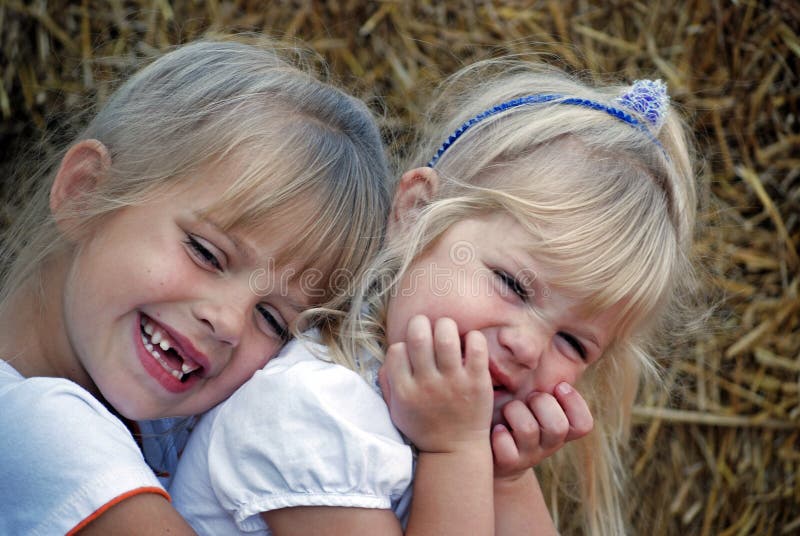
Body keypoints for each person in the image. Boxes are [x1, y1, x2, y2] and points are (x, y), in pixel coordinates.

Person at [169, 59, 698, 536]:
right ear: (417, 213)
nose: (529, 348)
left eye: (575, 344)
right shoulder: (313, 410)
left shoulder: (457, 434)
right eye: (513, 285)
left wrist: (507, 478)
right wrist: (456, 452)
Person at [0, 39, 393, 535]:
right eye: (206, 253)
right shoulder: (35, 427)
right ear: (85, 191)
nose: (227, 322)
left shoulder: (160, 428)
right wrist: (456, 454)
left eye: (272, 319)